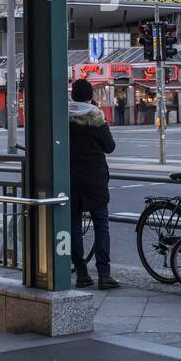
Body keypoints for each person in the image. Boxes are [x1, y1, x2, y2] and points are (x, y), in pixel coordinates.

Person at [68, 78, 118, 289]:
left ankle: (81, 273)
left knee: (74, 226)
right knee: (101, 225)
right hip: (95, 179)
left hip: (70, 177)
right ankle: (104, 275)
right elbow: (110, 146)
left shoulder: (63, 115)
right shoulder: (96, 117)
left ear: (72, 95)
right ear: (90, 96)